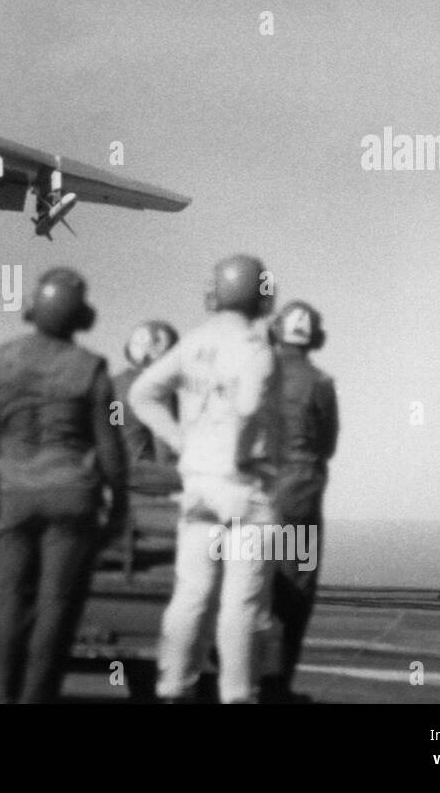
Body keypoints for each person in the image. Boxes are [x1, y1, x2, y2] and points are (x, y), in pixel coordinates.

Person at [0, 267, 128, 704]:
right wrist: (119, 505)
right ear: (81, 316)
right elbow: (110, 445)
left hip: (15, 496)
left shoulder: (1, 360)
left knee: (8, 600)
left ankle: (1, 696)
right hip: (71, 498)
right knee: (56, 605)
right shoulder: (91, 369)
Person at [130, 253, 280, 704]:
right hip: (245, 490)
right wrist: (240, 452)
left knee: (191, 595)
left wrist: (183, 443)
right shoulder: (256, 349)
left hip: (198, 489)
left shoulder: (194, 343)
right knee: (242, 606)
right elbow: (251, 407)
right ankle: (237, 695)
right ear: (260, 294)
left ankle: (173, 687)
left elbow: (143, 393)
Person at [263, 300, 338, 703]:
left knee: (249, 583)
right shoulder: (321, 382)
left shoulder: (258, 373)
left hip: (256, 493)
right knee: (299, 584)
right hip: (301, 501)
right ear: (316, 337)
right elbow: (327, 444)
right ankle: (278, 684)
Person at [113, 321, 180, 466]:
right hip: (152, 477)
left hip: (123, 472)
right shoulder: (158, 387)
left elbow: (116, 427)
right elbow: (165, 446)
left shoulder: (115, 386)